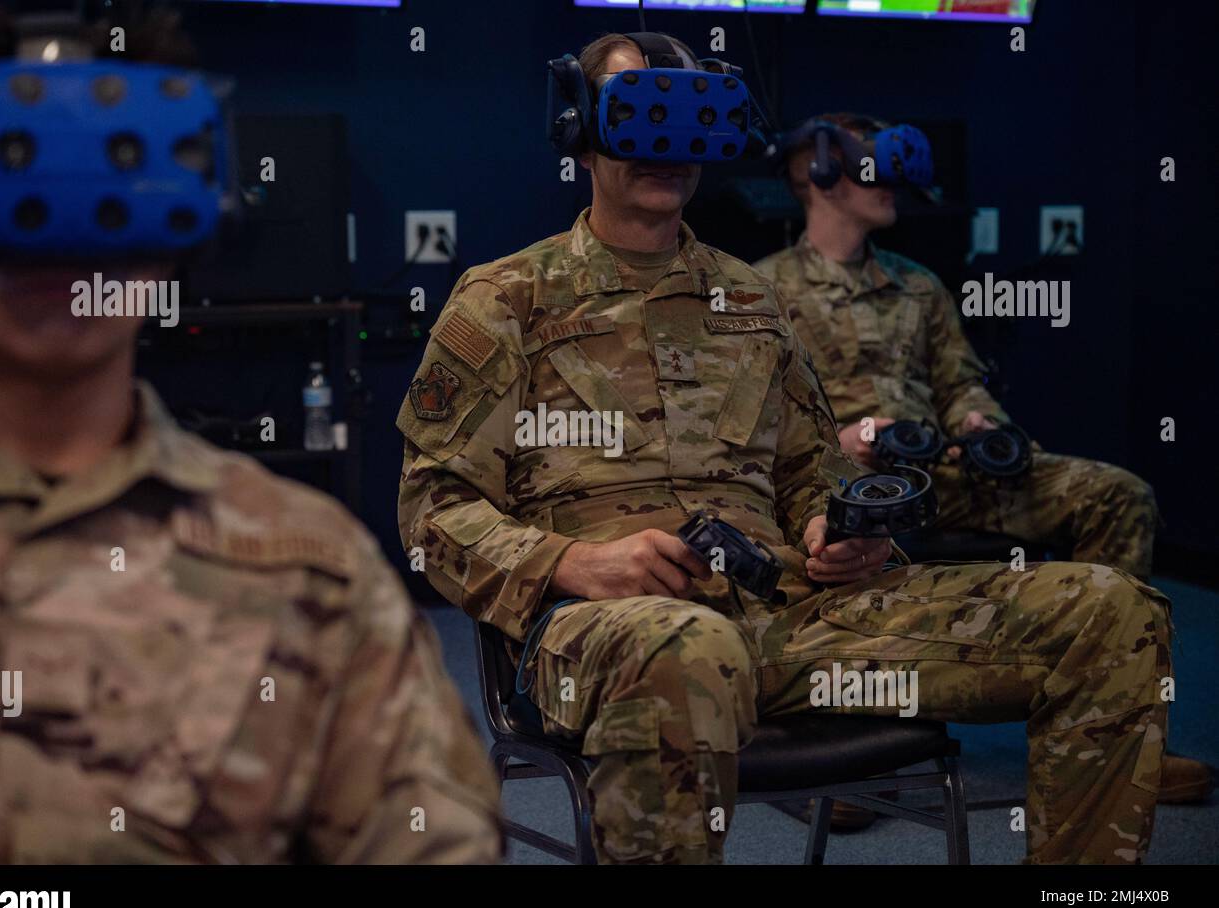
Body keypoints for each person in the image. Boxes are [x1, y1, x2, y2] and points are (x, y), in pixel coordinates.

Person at [398, 32, 1174, 864]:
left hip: (792, 618)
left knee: (1109, 611)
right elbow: (431, 509)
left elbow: (815, 472)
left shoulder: (752, 299)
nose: (666, 144)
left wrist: (834, 529)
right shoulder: (505, 299)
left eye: (688, 118)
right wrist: (568, 563)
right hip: (605, 630)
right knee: (688, 650)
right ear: (580, 136)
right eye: (638, 116)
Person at [0, 3, 501, 864]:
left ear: (185, 217)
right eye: (3, 170)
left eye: (110, 180)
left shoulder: (313, 576)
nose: (54, 233)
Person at [752, 112, 1210, 808]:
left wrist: (978, 420)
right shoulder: (764, 290)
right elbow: (760, 425)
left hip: (944, 471)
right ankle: (832, 749)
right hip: (845, 479)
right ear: (816, 176)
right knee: (829, 513)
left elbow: (960, 380)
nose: (894, 186)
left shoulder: (919, 285)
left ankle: (1112, 737)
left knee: (1119, 494)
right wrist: (835, 442)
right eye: (874, 168)